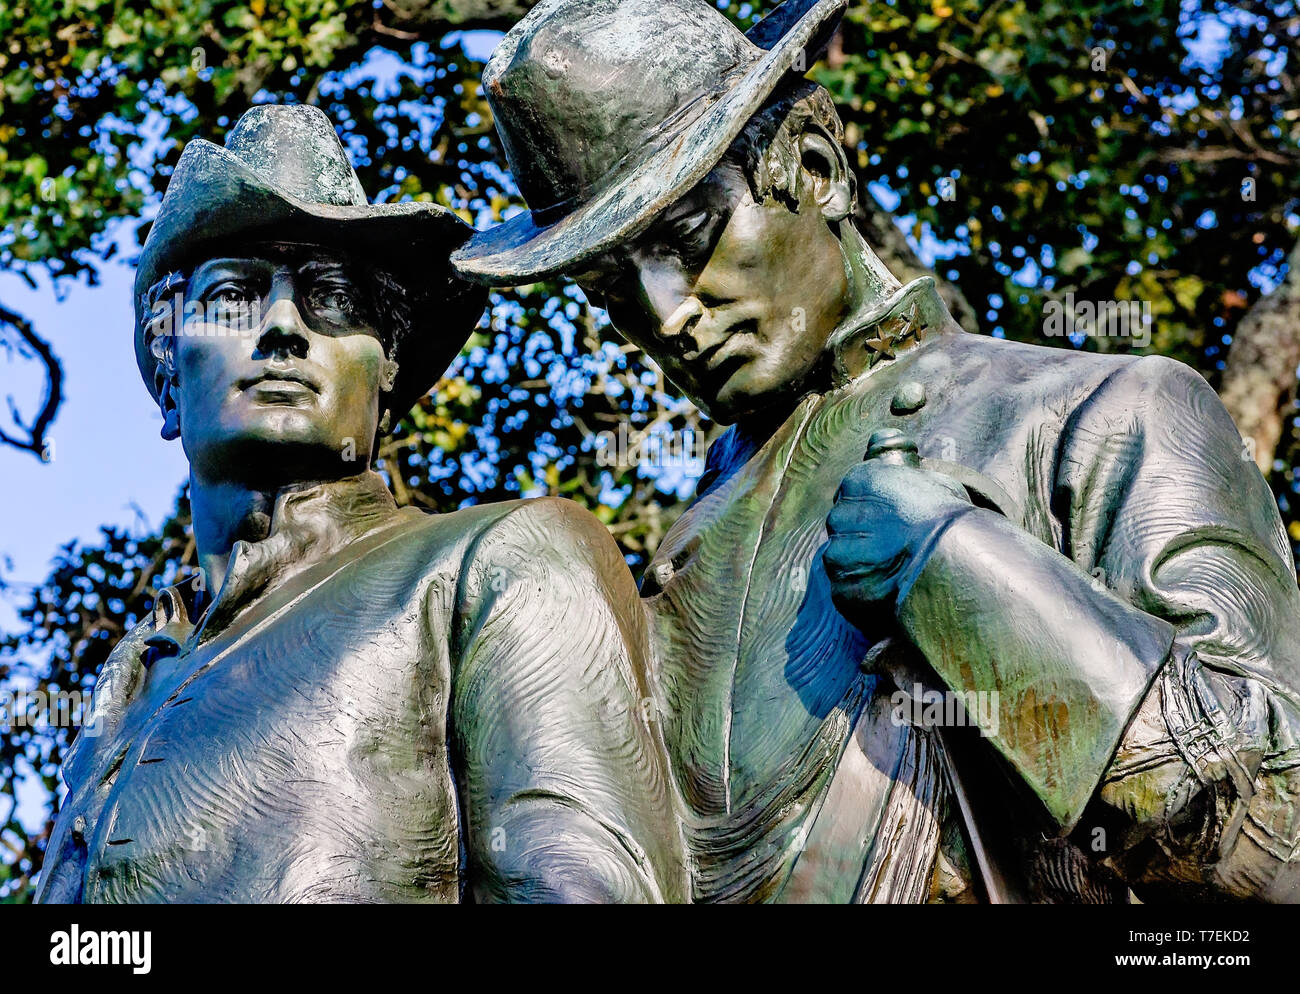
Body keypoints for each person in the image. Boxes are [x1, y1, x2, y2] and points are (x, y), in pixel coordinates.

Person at [453, 0, 1300, 902]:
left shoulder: (1106, 412)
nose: (663, 316)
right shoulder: (672, 564)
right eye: (609, 285)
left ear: (815, 170)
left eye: (688, 238)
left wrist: (967, 578)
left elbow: (1271, 852)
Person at [37, 103, 686, 904]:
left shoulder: (498, 561)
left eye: (332, 298)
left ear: (387, 377)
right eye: (235, 296)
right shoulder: (132, 681)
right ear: (170, 377)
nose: (281, 328)